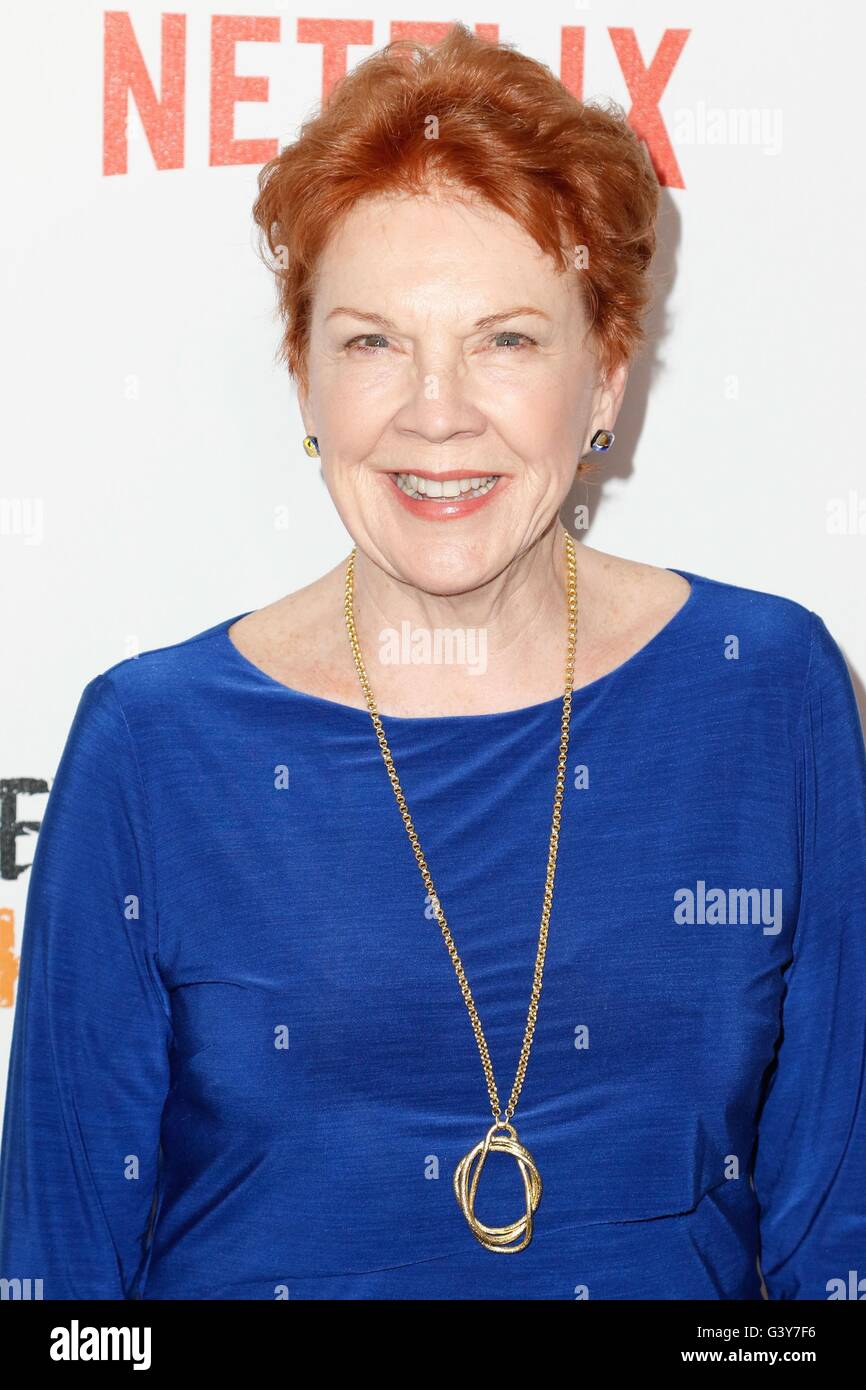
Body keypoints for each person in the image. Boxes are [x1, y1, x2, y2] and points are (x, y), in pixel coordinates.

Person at [1, 23, 864, 1301]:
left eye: (507, 339)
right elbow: (61, 1298)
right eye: (370, 342)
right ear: (303, 380)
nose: (436, 408)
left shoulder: (767, 689)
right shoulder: (151, 744)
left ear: (606, 378)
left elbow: (831, 1240)